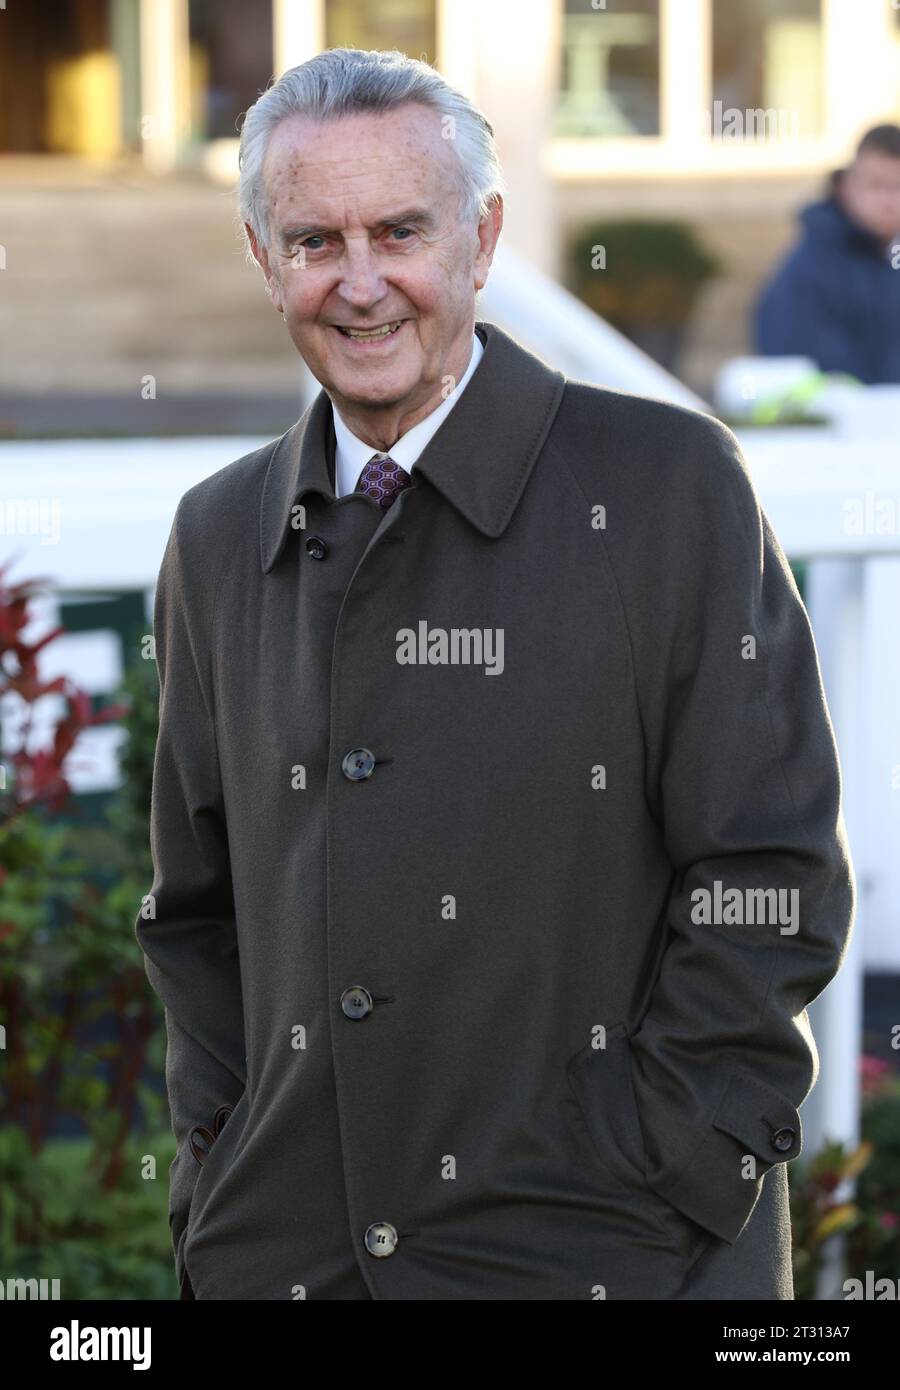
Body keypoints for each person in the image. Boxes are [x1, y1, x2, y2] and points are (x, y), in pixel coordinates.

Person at [135, 48, 855, 1301]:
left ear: (484, 234)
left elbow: (771, 868)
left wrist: (679, 1162)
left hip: (618, 1255)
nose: (361, 285)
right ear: (265, 262)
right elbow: (197, 916)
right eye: (314, 241)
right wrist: (217, 1168)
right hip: (290, 1260)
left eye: (401, 230)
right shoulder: (215, 534)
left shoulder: (667, 488)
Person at [754, 123, 900, 383]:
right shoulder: (811, 267)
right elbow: (798, 356)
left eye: (898, 187)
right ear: (845, 187)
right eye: (876, 186)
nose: (889, 201)